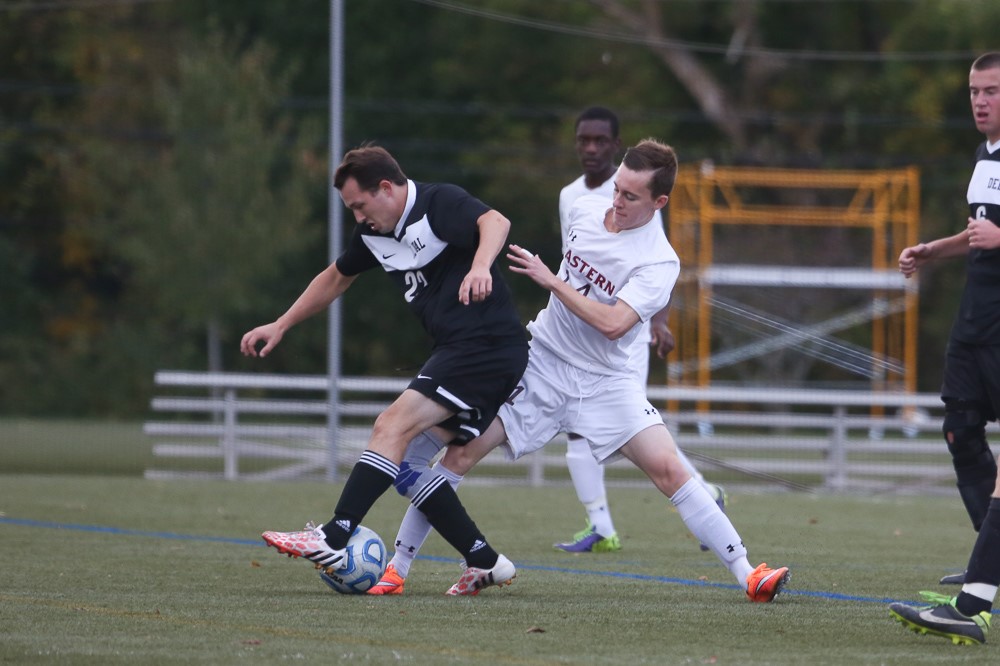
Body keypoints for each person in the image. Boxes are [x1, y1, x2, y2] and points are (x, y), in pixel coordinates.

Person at [368, 138, 790, 602]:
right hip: (541, 364)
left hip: (606, 382)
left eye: (632, 196)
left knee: (670, 469)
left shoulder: (659, 261)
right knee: (458, 457)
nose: (618, 201)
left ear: (659, 202)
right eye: (618, 189)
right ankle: (397, 568)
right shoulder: (585, 211)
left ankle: (749, 573)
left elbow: (614, 324)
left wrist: (550, 280)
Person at [241, 144, 529, 595]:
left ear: (387, 188)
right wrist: (281, 324)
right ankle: (485, 560)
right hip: (462, 349)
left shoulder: (437, 202)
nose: (358, 217)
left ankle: (334, 536)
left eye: (359, 205)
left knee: (390, 425)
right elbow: (335, 277)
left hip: (486, 347)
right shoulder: (376, 235)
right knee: (410, 460)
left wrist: (479, 266)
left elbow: (496, 222)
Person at [553, 106, 727, 554]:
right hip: (581, 329)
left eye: (599, 140)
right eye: (583, 140)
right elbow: (574, 262)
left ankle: (703, 495)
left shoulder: (643, 191)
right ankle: (601, 525)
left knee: (634, 429)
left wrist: (660, 321)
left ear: (615, 144)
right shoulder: (571, 196)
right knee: (579, 425)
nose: (590, 148)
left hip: (625, 329)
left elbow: (654, 262)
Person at [889, 52, 1000, 645]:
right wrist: (938, 248)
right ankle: (993, 563)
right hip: (976, 322)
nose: (981, 101)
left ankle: (977, 597)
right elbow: (980, 227)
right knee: (960, 430)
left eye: (993, 90)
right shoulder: (987, 155)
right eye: (975, 91)